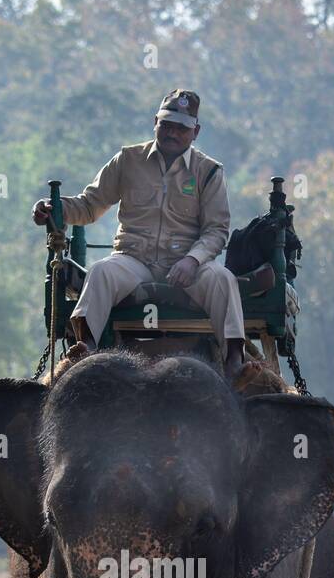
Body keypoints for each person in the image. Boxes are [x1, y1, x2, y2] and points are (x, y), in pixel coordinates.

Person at [32, 89, 245, 377]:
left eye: (181, 127)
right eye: (166, 125)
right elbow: (90, 205)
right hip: (134, 260)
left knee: (223, 279)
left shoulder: (208, 172)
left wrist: (193, 260)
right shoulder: (128, 160)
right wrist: (54, 209)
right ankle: (86, 351)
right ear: (155, 122)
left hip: (186, 265)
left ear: (195, 131)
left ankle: (235, 361)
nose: (172, 133)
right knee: (101, 272)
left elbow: (216, 231)